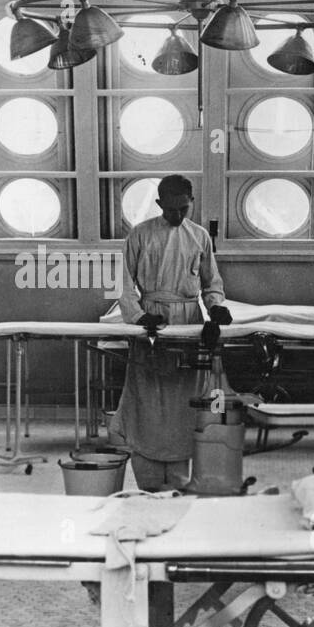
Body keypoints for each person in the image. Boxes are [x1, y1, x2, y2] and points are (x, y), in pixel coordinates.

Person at [109, 175, 231, 491]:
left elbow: (211, 282)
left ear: (192, 202)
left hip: (187, 321)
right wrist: (139, 315)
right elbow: (122, 283)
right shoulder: (140, 235)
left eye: (183, 208)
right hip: (151, 323)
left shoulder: (199, 236)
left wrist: (215, 307)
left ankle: (177, 480)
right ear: (159, 204)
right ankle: (148, 479)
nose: (177, 216)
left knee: (183, 398)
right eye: (171, 209)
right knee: (147, 395)